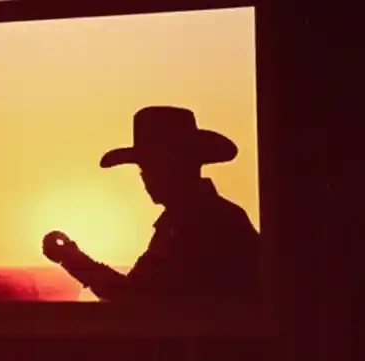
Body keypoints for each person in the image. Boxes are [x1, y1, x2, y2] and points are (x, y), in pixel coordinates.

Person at [43, 106, 261, 302]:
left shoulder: (201, 223)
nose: (145, 178)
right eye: (144, 169)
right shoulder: (205, 218)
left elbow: (136, 298)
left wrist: (72, 259)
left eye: (150, 167)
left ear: (178, 165)